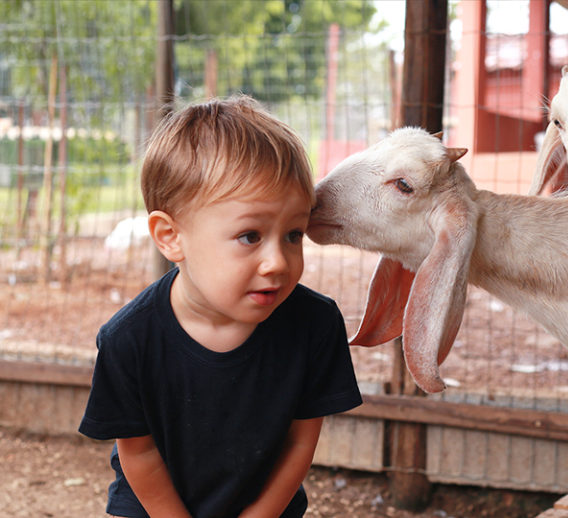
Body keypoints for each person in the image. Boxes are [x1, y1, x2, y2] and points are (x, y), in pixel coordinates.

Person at [79, 95, 363, 518]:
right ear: (171, 236)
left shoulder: (315, 326)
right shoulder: (129, 341)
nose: (278, 263)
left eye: (293, 234)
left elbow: (301, 442)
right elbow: (139, 455)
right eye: (250, 236)